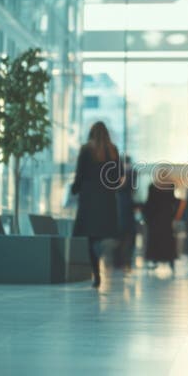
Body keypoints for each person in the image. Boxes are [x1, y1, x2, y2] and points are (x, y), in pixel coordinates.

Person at [71, 122, 120, 288]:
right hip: (107, 199)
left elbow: (80, 174)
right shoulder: (113, 150)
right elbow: (118, 177)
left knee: (91, 237)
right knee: (104, 233)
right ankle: (102, 248)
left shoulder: (86, 150)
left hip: (89, 199)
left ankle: (97, 275)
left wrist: (74, 189)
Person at [143, 172, 179, 272]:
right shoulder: (170, 186)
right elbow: (173, 201)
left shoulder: (153, 186)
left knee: (155, 239)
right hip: (166, 218)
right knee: (167, 240)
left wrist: (147, 216)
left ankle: (154, 259)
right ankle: (170, 261)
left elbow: (149, 203)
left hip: (155, 218)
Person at [114, 155, 138, 272]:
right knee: (128, 236)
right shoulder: (131, 173)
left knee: (121, 236)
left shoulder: (122, 175)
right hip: (125, 210)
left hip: (121, 211)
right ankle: (126, 260)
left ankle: (120, 261)